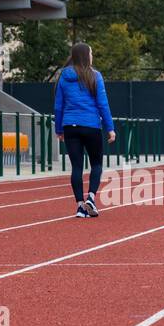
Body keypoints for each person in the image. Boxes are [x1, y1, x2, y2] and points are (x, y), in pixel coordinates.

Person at [52, 42, 116, 217]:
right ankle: (91, 198)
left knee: (77, 167)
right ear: (86, 56)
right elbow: (103, 104)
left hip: (70, 126)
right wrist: (110, 128)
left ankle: (80, 205)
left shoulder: (64, 76)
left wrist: (59, 129)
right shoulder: (95, 76)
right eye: (91, 53)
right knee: (96, 164)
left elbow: (58, 106)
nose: (92, 56)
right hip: (91, 125)